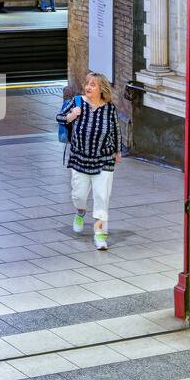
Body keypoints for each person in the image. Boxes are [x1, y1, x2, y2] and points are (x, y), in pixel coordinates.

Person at [58, 71, 125, 250]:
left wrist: (118, 150)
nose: (88, 87)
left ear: (101, 89)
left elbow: (116, 130)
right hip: (80, 157)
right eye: (87, 84)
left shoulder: (109, 108)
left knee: (102, 197)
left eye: (92, 85)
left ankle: (100, 235)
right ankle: (80, 211)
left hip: (104, 159)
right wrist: (71, 116)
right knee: (79, 195)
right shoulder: (77, 102)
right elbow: (59, 117)